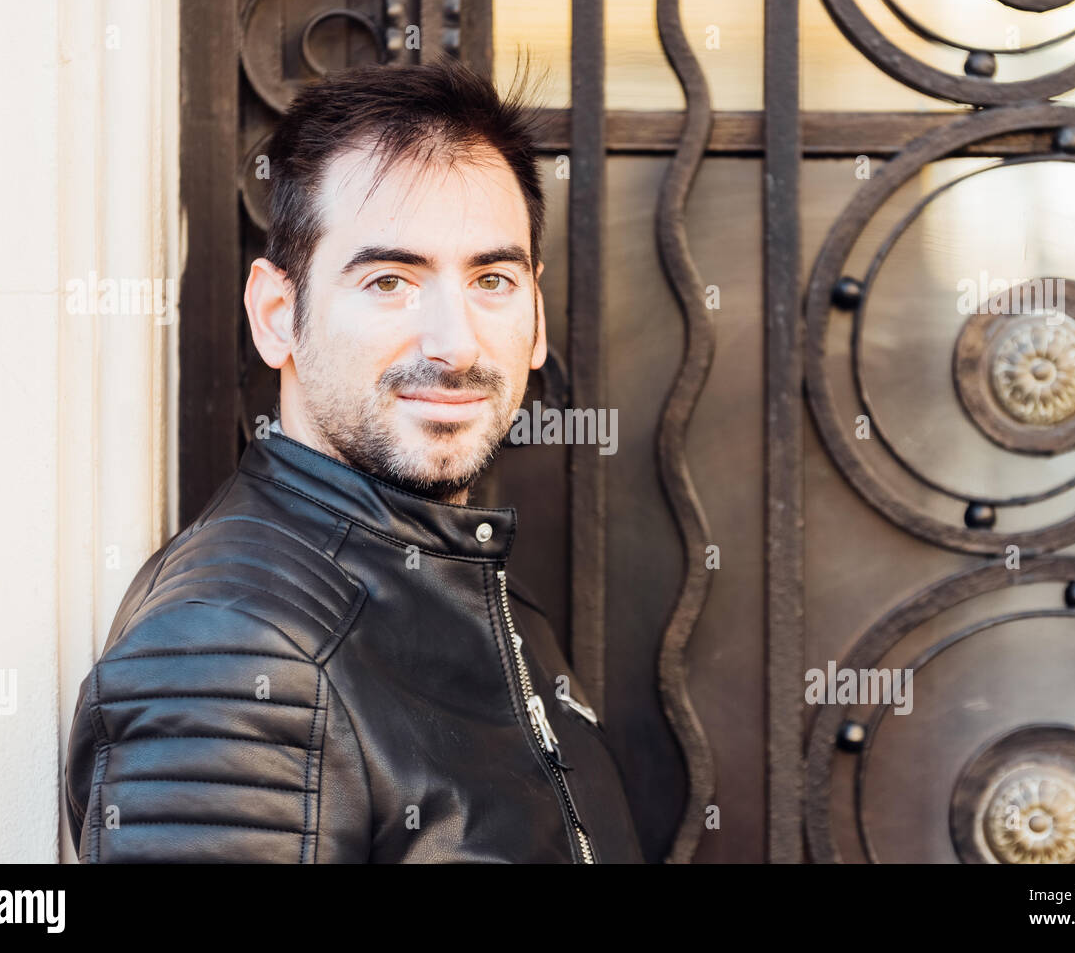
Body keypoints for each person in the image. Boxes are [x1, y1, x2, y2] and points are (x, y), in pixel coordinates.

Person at [64, 61, 644, 863]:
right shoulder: (231, 652)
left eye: (492, 278)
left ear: (536, 313)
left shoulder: (486, 596)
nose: (455, 342)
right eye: (390, 280)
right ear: (278, 316)